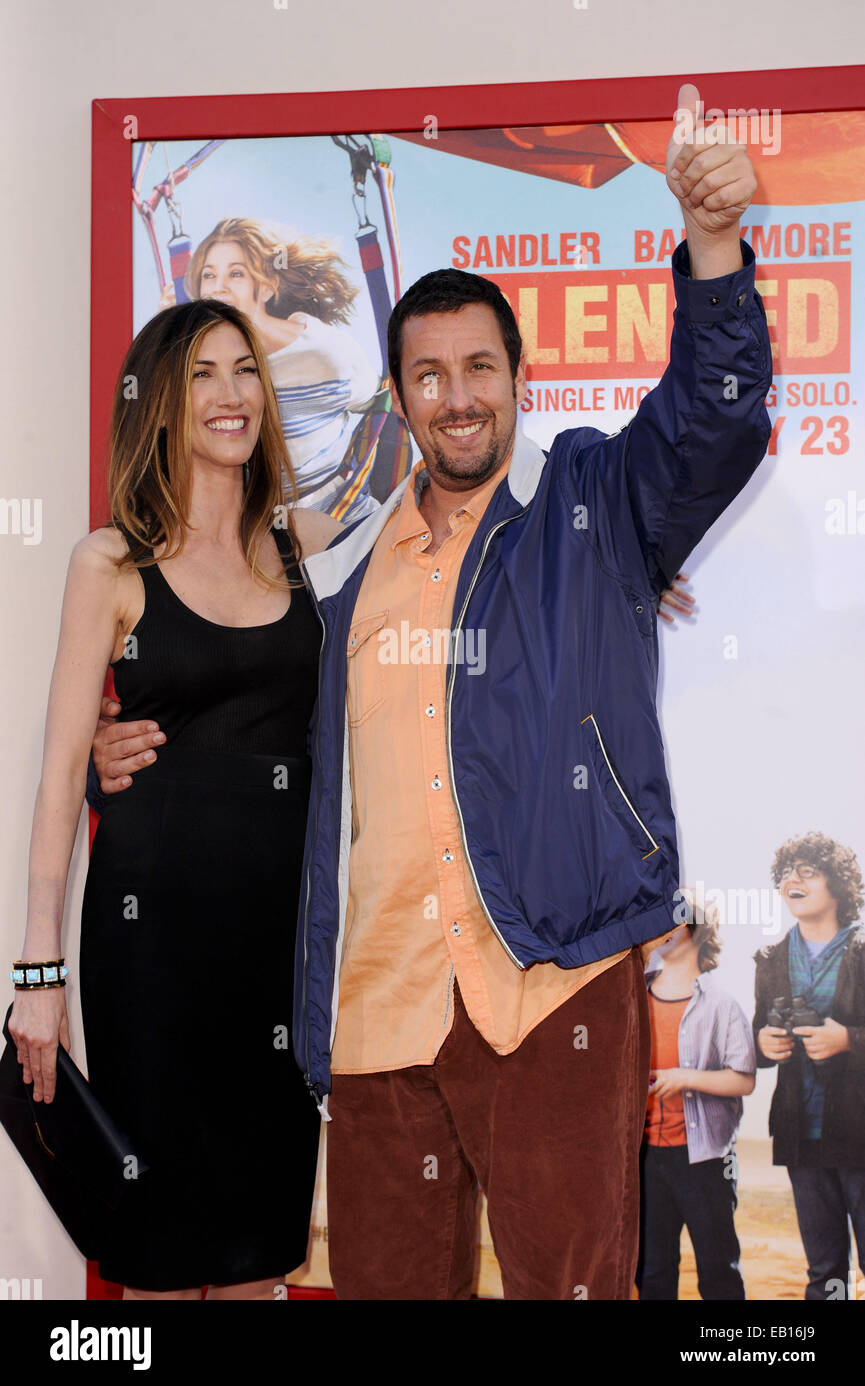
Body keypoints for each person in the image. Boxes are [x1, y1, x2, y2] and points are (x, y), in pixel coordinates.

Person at [92, 82, 772, 1299]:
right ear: (398, 397)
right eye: (427, 374)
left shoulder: (592, 510)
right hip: (377, 1010)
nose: (456, 396)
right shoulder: (339, 570)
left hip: (551, 983)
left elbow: (712, 428)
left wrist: (713, 250)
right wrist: (136, 751)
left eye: (478, 369)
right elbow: (254, 716)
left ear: (519, 376)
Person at [9, 298, 341, 1299]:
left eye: (245, 370)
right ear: (158, 400)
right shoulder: (109, 561)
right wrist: (38, 969)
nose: (232, 394)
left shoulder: (310, 542)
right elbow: (65, 769)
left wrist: (624, 568)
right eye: (202, 373)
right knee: (155, 1251)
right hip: (150, 953)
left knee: (259, 1255)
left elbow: (451, 551)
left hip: (275, 956)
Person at [160, 217, 381, 521]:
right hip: (253, 525)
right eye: (209, 276)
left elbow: (374, 398)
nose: (218, 287)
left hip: (338, 517)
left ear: (266, 287)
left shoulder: (322, 352)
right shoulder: (191, 359)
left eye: (235, 273)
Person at [753, 831, 865, 1301]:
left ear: (837, 884)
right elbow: (757, 1041)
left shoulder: (861, 951)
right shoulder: (770, 958)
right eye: (785, 873)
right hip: (803, 1135)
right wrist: (763, 1041)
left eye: (807, 871)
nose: (791, 880)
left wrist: (849, 1040)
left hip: (861, 1133)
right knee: (824, 1272)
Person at [636, 899, 755, 1300]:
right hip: (644, 1160)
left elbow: (744, 1081)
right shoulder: (632, 999)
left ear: (695, 932)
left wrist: (686, 1078)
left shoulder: (723, 1005)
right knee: (651, 1273)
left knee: (718, 1271)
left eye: (668, 922)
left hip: (705, 1161)